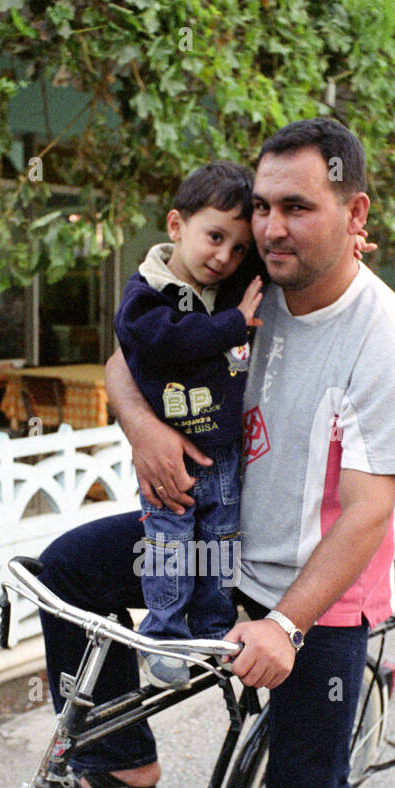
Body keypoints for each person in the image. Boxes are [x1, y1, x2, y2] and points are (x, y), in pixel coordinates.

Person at [35, 118, 395, 788]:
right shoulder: (243, 287)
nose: (271, 225)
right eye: (261, 206)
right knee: (67, 570)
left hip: (315, 592)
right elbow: (126, 355)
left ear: (354, 211)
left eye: (298, 206)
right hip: (212, 550)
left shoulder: (383, 341)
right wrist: (138, 427)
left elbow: (368, 512)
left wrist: (288, 625)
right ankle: (125, 755)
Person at [114, 161, 263, 686]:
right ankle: (163, 639)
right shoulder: (144, 296)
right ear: (177, 226)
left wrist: (345, 246)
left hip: (223, 451)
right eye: (214, 237)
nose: (224, 257)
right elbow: (170, 341)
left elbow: (286, 266)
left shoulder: (227, 288)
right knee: (169, 546)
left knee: (221, 543)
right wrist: (233, 325)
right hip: (169, 458)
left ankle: (212, 631)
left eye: (239, 248)